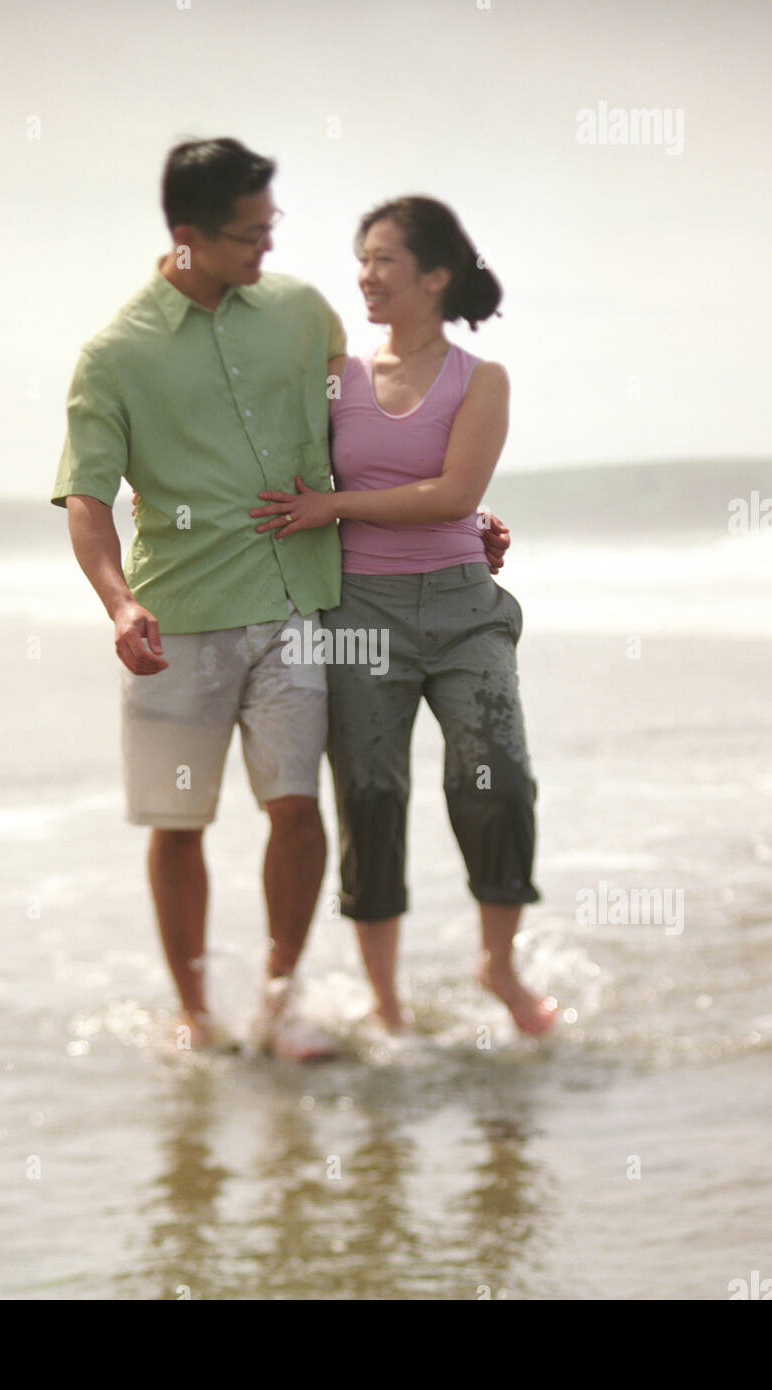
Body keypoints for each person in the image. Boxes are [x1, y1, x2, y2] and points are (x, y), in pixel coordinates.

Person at [51, 140, 509, 1057]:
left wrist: (456, 516)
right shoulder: (115, 356)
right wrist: (118, 604)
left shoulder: (301, 313)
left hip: (299, 611)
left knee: (296, 810)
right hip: (177, 621)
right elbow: (87, 498)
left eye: (273, 227)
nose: (270, 247)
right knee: (179, 826)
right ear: (187, 238)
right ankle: (195, 1012)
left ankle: (277, 999)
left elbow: (372, 423)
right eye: (249, 233)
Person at [250, 196, 556, 1037]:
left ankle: (498, 965)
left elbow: (458, 495)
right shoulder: (336, 380)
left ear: (435, 275)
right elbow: (273, 465)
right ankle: (386, 1006)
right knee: (372, 797)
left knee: (495, 777)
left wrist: (337, 506)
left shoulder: (479, 380)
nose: (366, 275)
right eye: (363, 258)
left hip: (463, 608)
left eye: (386, 259)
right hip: (359, 613)